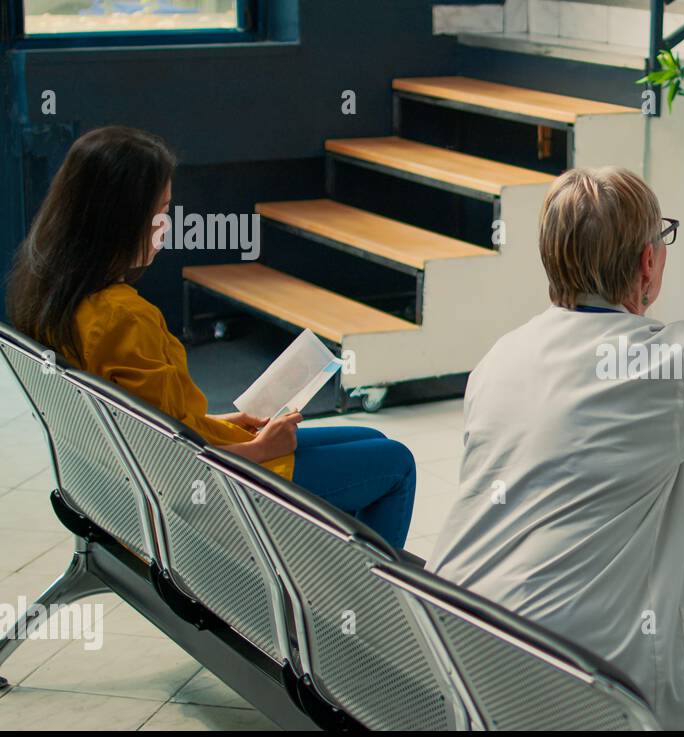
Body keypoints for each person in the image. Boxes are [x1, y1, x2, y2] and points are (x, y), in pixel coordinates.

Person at [428, 166, 684, 730]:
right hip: (579, 672)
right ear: (647, 262)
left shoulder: (502, 356)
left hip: (465, 640)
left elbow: (565, 501)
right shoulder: (665, 362)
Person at [5, 126, 418, 551]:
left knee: (371, 440)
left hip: (133, 483)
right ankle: (360, 590)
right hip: (212, 489)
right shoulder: (124, 318)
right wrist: (262, 449)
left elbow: (157, 425)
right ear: (122, 219)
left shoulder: (52, 301)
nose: (166, 225)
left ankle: (332, 570)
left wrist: (229, 423)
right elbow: (174, 467)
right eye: (161, 211)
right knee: (396, 463)